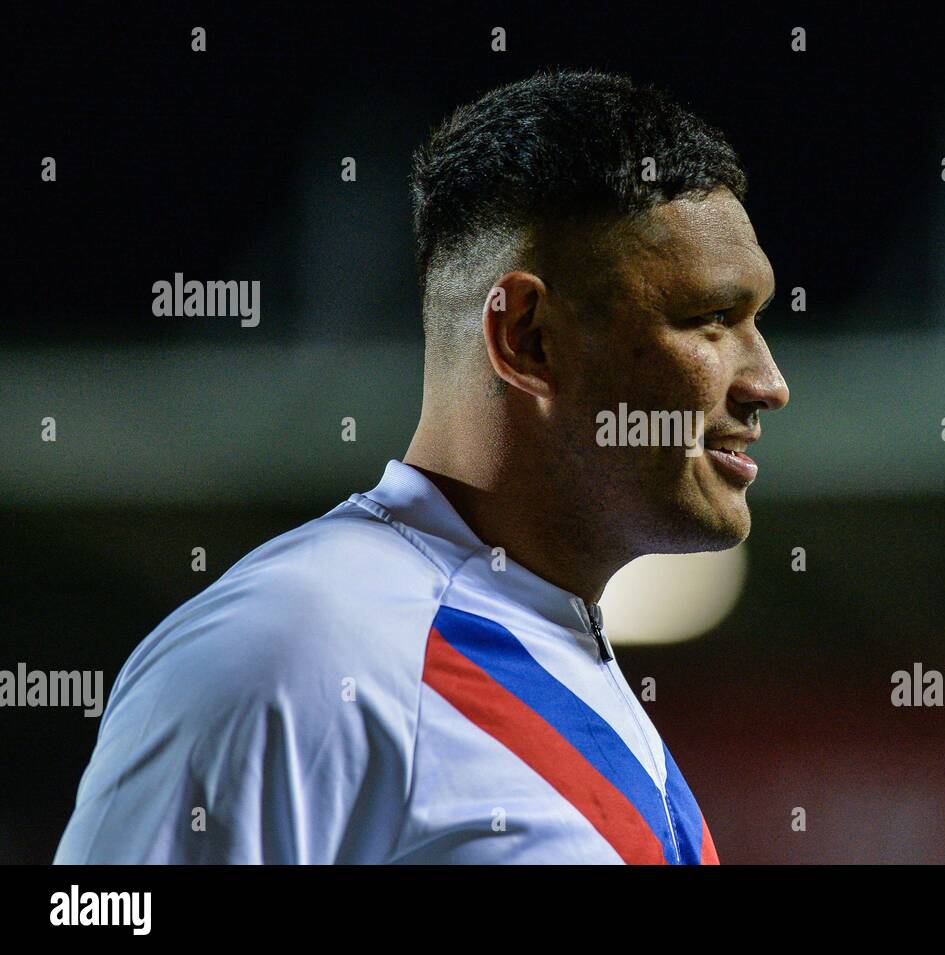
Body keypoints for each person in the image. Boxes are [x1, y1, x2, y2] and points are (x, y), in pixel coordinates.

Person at [54, 68, 789, 864]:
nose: (768, 383)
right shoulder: (291, 648)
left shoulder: (559, 651)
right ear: (528, 338)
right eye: (711, 319)